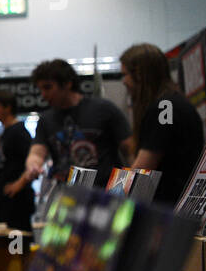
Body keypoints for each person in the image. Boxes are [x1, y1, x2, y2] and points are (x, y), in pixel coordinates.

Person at [22, 59, 131, 188]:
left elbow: (129, 150)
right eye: (40, 89)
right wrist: (33, 166)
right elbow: (37, 153)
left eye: (48, 87)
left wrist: (127, 189)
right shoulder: (46, 119)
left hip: (104, 195)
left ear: (67, 84)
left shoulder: (104, 109)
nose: (43, 95)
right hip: (66, 197)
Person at [120, 43, 204, 205]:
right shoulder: (172, 103)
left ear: (139, 75)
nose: (124, 81)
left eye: (125, 75)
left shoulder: (164, 107)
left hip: (169, 209)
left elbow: (141, 170)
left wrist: (109, 201)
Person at [0, 91, 34, 230]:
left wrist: (19, 184)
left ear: (7, 107)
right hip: (5, 198)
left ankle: (18, 252)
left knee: (17, 243)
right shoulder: (5, 133)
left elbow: (31, 163)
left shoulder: (18, 132)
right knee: (6, 244)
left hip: (17, 200)